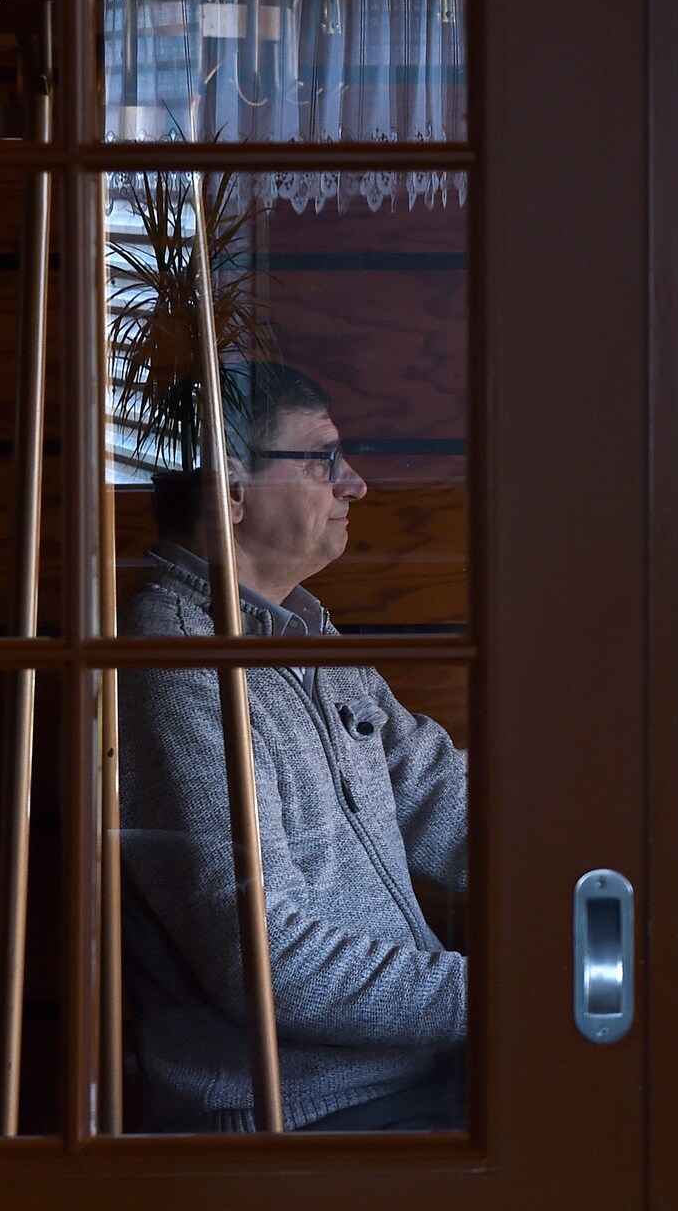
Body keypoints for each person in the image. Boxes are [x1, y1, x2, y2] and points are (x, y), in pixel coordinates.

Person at [117, 361, 470, 1133]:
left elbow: (443, 796)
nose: (356, 485)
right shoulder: (178, 670)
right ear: (231, 489)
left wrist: (658, 863)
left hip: (407, 1082)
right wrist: (515, 988)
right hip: (307, 1119)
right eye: (322, 458)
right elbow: (269, 959)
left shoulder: (300, 630)